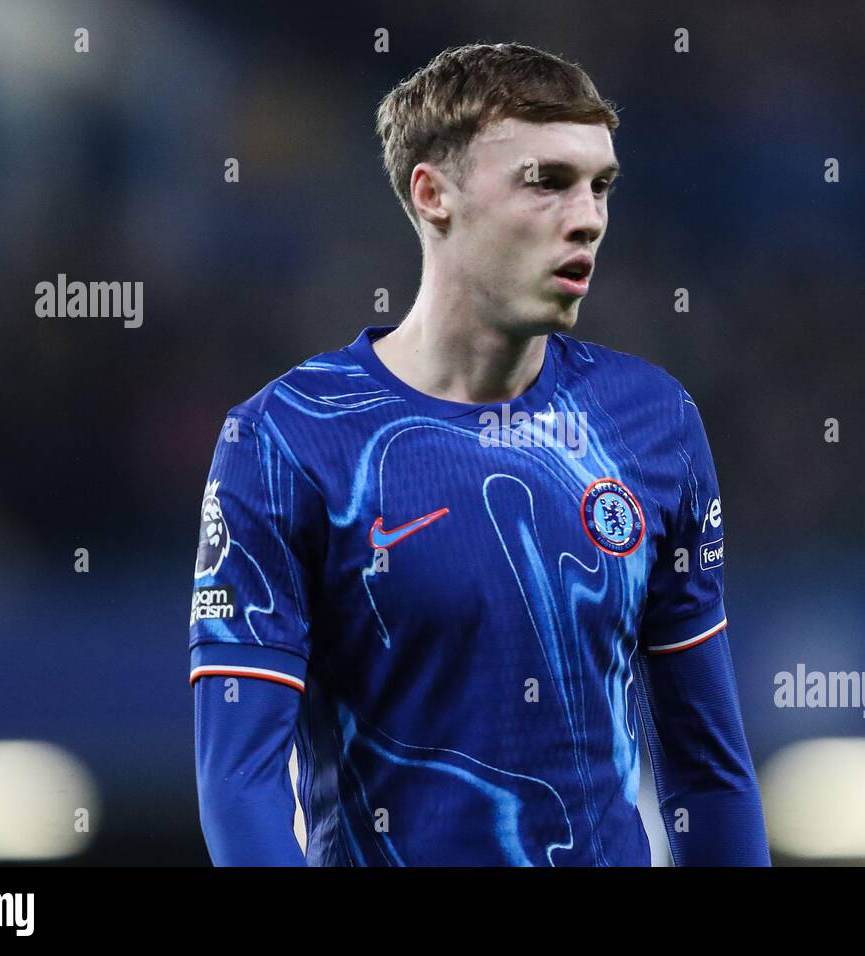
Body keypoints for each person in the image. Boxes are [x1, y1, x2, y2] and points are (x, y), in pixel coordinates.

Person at [189, 41, 770, 866]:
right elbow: (238, 786)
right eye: (547, 181)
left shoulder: (654, 421)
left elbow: (707, 770)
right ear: (434, 194)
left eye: (600, 185)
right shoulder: (286, 438)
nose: (589, 217)